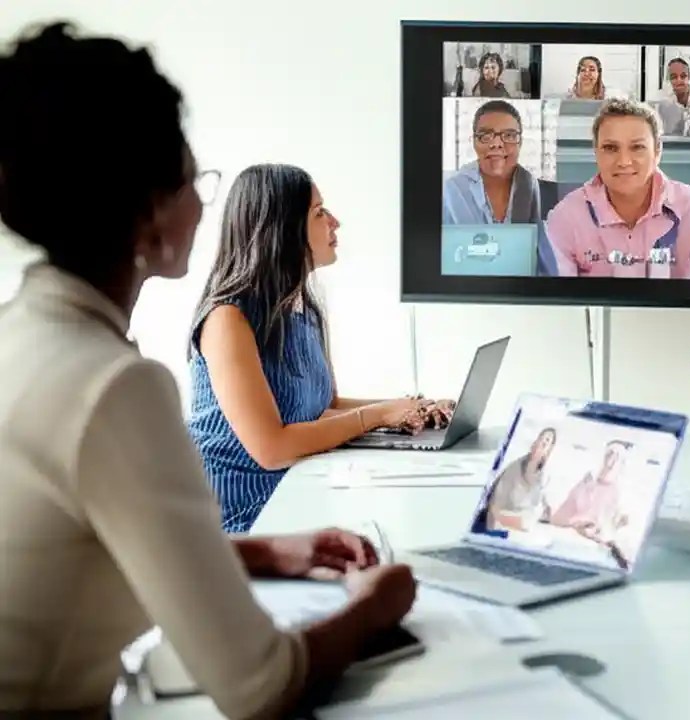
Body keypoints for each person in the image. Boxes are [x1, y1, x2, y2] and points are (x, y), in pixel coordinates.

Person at [0, 23, 416, 717]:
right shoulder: (114, 386)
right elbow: (260, 685)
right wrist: (375, 610)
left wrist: (265, 553)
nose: (203, 207)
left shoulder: (23, 337)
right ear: (149, 213)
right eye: (195, 182)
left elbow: (92, 551)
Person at [189, 164, 455, 532]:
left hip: (296, 494)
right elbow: (271, 449)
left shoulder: (305, 310)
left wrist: (411, 407)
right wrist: (380, 414)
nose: (335, 222)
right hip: (238, 520)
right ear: (282, 232)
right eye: (319, 212)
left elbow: (325, 408)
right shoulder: (227, 321)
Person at [541, 97, 690, 279]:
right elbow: (557, 303)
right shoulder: (567, 216)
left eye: (637, 147)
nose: (624, 161)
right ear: (596, 152)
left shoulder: (686, 205)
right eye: (611, 148)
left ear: (658, 150)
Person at [442, 100, 541, 225]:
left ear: (520, 143)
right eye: (485, 136)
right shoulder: (452, 190)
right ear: (474, 142)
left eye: (509, 135)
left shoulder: (529, 183)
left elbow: (535, 239)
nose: (496, 144)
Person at [549, 440, 631, 544]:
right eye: (609, 454)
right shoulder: (585, 485)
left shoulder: (620, 494)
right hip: (572, 537)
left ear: (622, 463)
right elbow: (560, 517)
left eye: (617, 457)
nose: (611, 461)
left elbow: (616, 527)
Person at [487, 427, 558, 530]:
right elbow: (500, 495)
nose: (544, 441)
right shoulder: (518, 465)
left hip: (523, 515)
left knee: (530, 520)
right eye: (542, 438)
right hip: (505, 510)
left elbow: (541, 499)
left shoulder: (544, 473)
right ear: (536, 441)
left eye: (548, 440)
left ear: (550, 449)